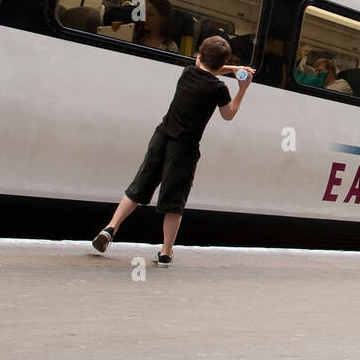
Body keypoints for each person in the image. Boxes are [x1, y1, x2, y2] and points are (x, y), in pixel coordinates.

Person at [92, 36, 254, 267]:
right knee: (174, 201)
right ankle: (166, 252)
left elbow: (207, 66)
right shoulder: (218, 88)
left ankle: (110, 228)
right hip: (184, 148)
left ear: (199, 56)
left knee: (139, 186)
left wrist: (231, 68)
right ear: (221, 64)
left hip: (161, 137)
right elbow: (229, 115)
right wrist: (242, 88)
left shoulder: (187, 73)